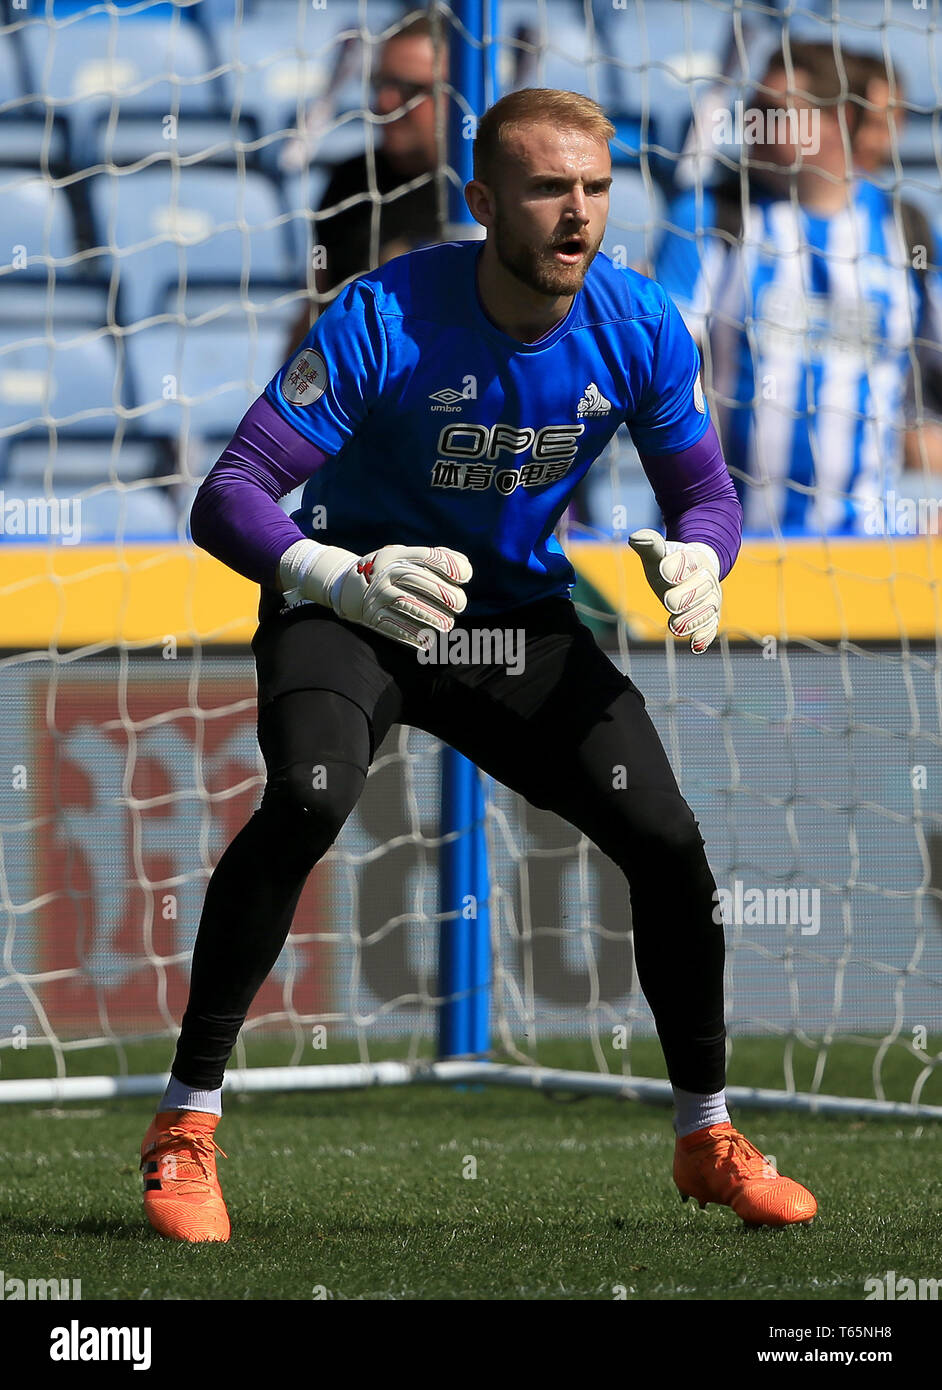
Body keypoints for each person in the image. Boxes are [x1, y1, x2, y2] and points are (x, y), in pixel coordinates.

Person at [140, 88, 817, 1243]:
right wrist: (338, 578)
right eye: (552, 189)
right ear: (483, 200)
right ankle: (184, 1126)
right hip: (355, 603)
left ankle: (708, 1137)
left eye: (597, 189)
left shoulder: (642, 323)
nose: (579, 215)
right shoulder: (383, 316)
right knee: (309, 796)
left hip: (512, 621)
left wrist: (705, 562)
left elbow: (705, 495)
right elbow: (230, 495)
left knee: (667, 840)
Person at [654, 41, 942, 534]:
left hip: (874, 556)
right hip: (727, 548)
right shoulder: (710, 218)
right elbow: (654, 378)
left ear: (841, 122)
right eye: (752, 109)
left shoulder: (906, 229)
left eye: (775, 112)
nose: (753, 125)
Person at [284, 12, 444, 354]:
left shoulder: (488, 188)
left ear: (454, 94)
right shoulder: (349, 181)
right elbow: (314, 304)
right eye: (380, 84)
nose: (384, 102)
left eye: (408, 89)